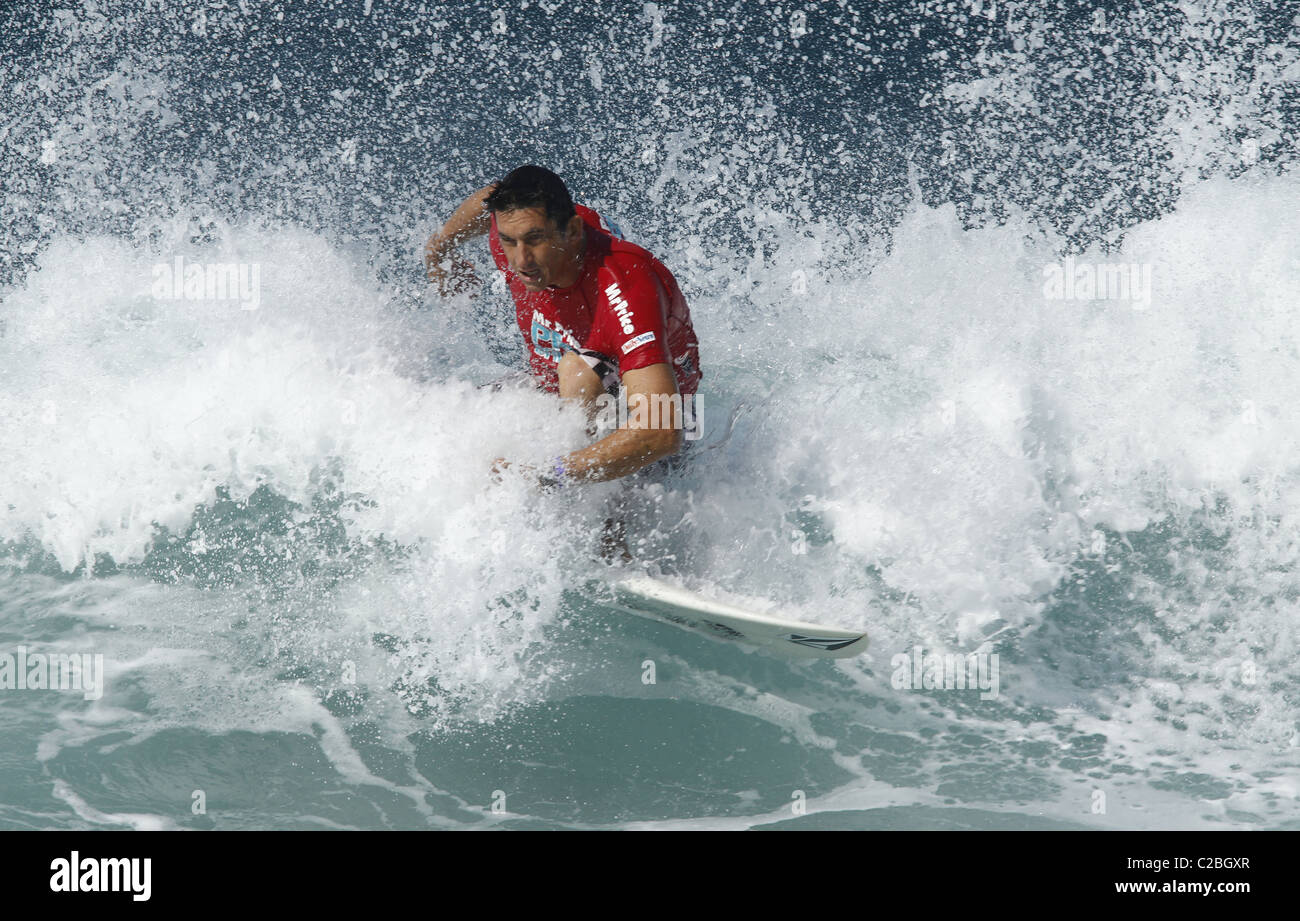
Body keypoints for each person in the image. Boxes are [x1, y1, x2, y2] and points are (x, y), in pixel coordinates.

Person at [424, 165, 703, 492]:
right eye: (509, 242)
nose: (521, 259)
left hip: (659, 434)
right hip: (562, 397)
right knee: (453, 419)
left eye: (534, 240)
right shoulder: (519, 231)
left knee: (576, 370)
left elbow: (662, 429)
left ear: (571, 232)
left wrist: (548, 473)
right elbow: (490, 200)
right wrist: (439, 249)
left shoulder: (623, 286)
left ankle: (609, 536)